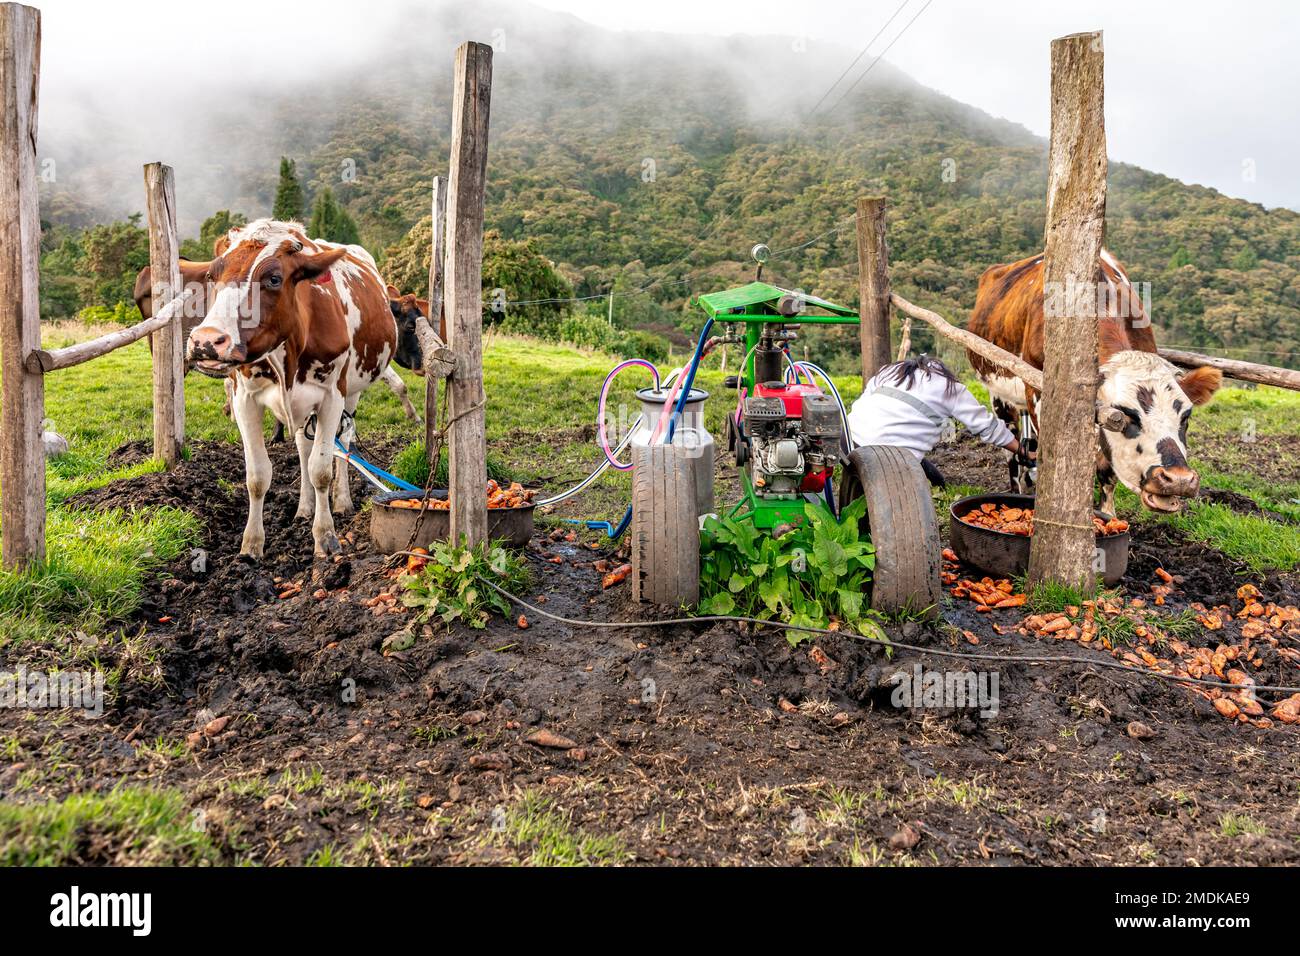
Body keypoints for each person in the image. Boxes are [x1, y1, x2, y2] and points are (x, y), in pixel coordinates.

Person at [847, 355, 1031, 485]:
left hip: (849, 442)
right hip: (892, 460)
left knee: (927, 471)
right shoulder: (951, 388)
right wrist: (1023, 452)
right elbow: (987, 427)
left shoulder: (889, 371)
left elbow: (864, 400)